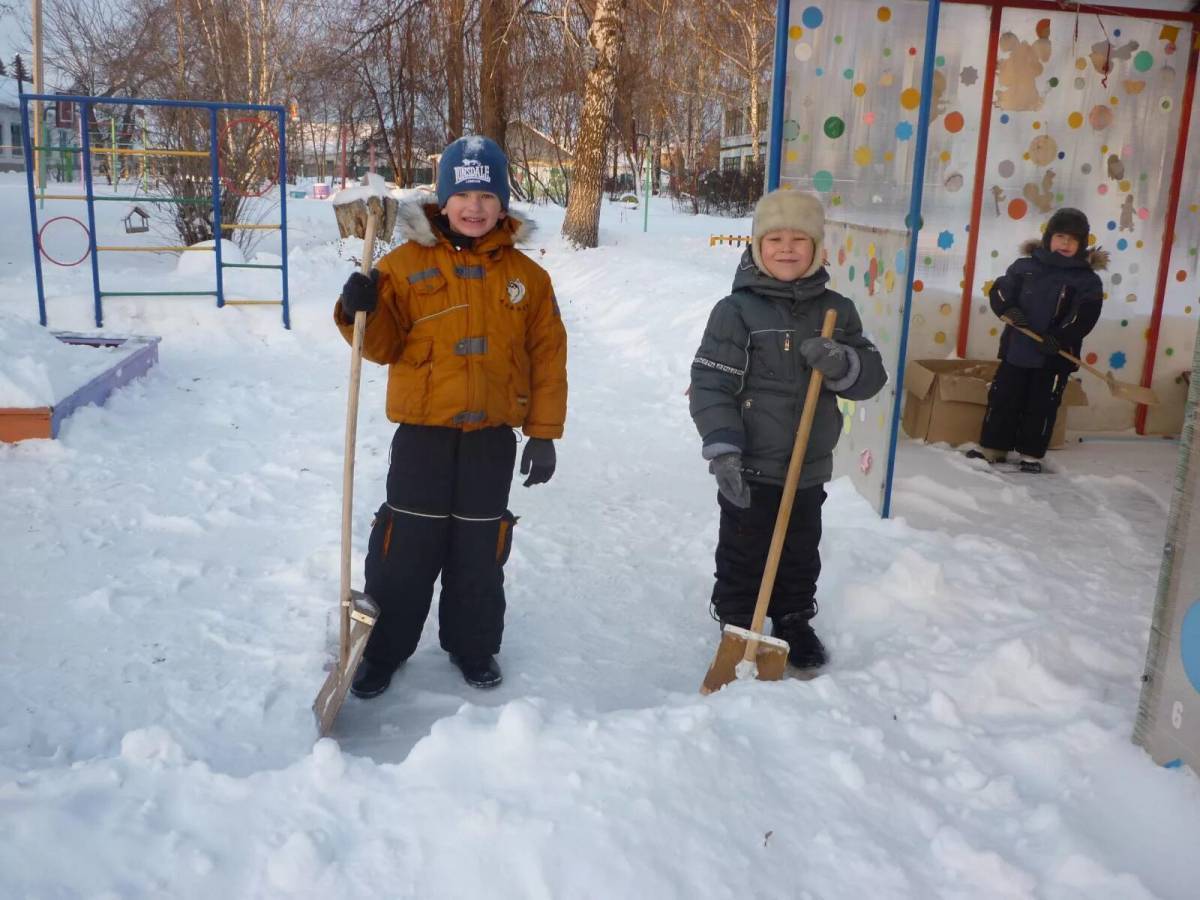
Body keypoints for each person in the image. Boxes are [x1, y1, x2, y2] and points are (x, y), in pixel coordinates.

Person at [334, 135, 568, 694]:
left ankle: (473, 646)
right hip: (423, 438)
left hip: (491, 439)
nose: (475, 207)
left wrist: (543, 433)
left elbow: (548, 359)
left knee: (479, 554)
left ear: (503, 202)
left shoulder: (527, 279)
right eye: (462, 194)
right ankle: (383, 651)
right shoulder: (402, 263)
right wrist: (355, 308)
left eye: (487, 195)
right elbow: (382, 345)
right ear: (442, 199)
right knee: (404, 550)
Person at [688, 190, 887, 669]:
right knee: (743, 547)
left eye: (800, 238)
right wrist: (723, 450)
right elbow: (710, 384)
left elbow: (871, 378)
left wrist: (844, 362)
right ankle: (738, 621)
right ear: (757, 246)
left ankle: (794, 617)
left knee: (800, 550)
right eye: (774, 238)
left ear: (818, 249)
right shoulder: (735, 312)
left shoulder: (836, 311)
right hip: (749, 464)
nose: (786, 248)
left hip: (808, 465)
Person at [971, 207, 1105, 473]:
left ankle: (1031, 454)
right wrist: (1007, 309)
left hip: (1054, 357)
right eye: (1060, 236)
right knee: (1004, 399)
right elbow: (1000, 291)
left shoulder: (1087, 281)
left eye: (1073, 239)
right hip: (1016, 351)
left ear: (1081, 244)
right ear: (1048, 238)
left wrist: (1060, 337)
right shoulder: (1025, 267)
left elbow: (1085, 316)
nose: (1065, 243)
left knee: (1041, 406)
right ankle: (994, 446)